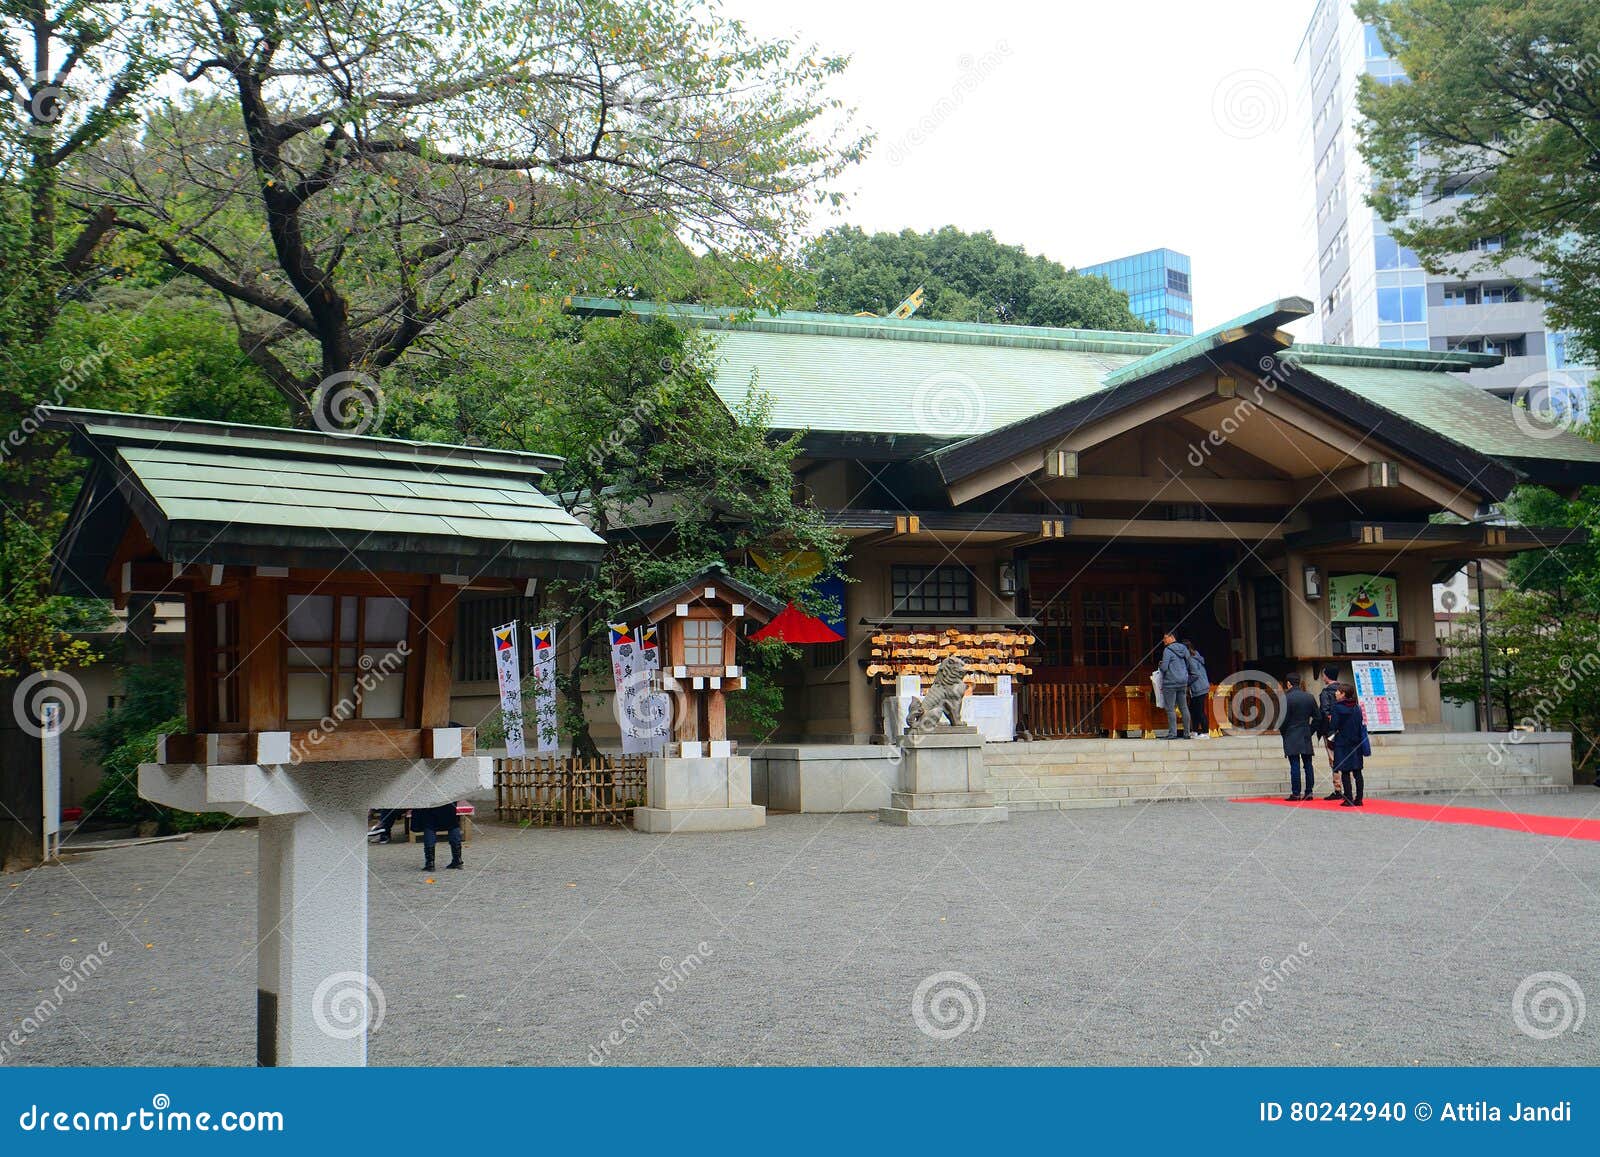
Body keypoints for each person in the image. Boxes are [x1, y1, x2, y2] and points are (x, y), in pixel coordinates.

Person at [1279, 674, 1318, 800]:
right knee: (1308, 764)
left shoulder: (1285, 698)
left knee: (1294, 764)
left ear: (1289, 683)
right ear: (1299, 683)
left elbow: (1282, 721)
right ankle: (1309, 792)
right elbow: (1318, 717)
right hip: (1305, 732)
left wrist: (1284, 733)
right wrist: (1310, 730)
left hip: (1291, 733)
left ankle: (1296, 793)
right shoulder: (1309, 697)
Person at [1329, 683, 1366, 807]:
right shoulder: (1356, 707)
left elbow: (1334, 725)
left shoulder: (1337, 707)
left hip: (1342, 742)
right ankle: (1359, 798)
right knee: (1357, 771)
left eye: (1338, 691)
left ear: (1343, 694)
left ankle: (1348, 798)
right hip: (1356, 742)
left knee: (1345, 771)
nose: (1336, 693)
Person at [1156, 632, 1193, 739]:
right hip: (1183, 681)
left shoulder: (1167, 650)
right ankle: (1187, 733)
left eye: (1165, 638)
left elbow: (1164, 668)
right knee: (1184, 707)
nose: (1163, 640)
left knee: (1170, 708)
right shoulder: (1183, 648)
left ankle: (1173, 733)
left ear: (1172, 637)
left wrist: (1161, 664)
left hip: (1170, 682)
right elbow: (1189, 662)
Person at [1317, 665, 1343, 801]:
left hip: (1330, 731)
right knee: (1345, 757)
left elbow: (1325, 712)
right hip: (1345, 731)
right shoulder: (1345, 690)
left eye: (1323, 674)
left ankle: (1338, 789)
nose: (1322, 677)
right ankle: (1348, 787)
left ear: (1327, 676)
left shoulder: (1326, 693)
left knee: (1333, 759)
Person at [413, 801, 464, 870]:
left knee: (429, 825)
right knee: (452, 823)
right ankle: (457, 859)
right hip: (447, 798)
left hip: (430, 801)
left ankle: (430, 863)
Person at [1182, 638, 1210, 739]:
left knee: (1199, 711)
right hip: (1200, 686)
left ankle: (1206, 732)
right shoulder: (1195, 656)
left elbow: (1195, 674)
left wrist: (1186, 682)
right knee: (1193, 709)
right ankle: (1194, 731)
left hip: (1199, 687)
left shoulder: (1191, 659)